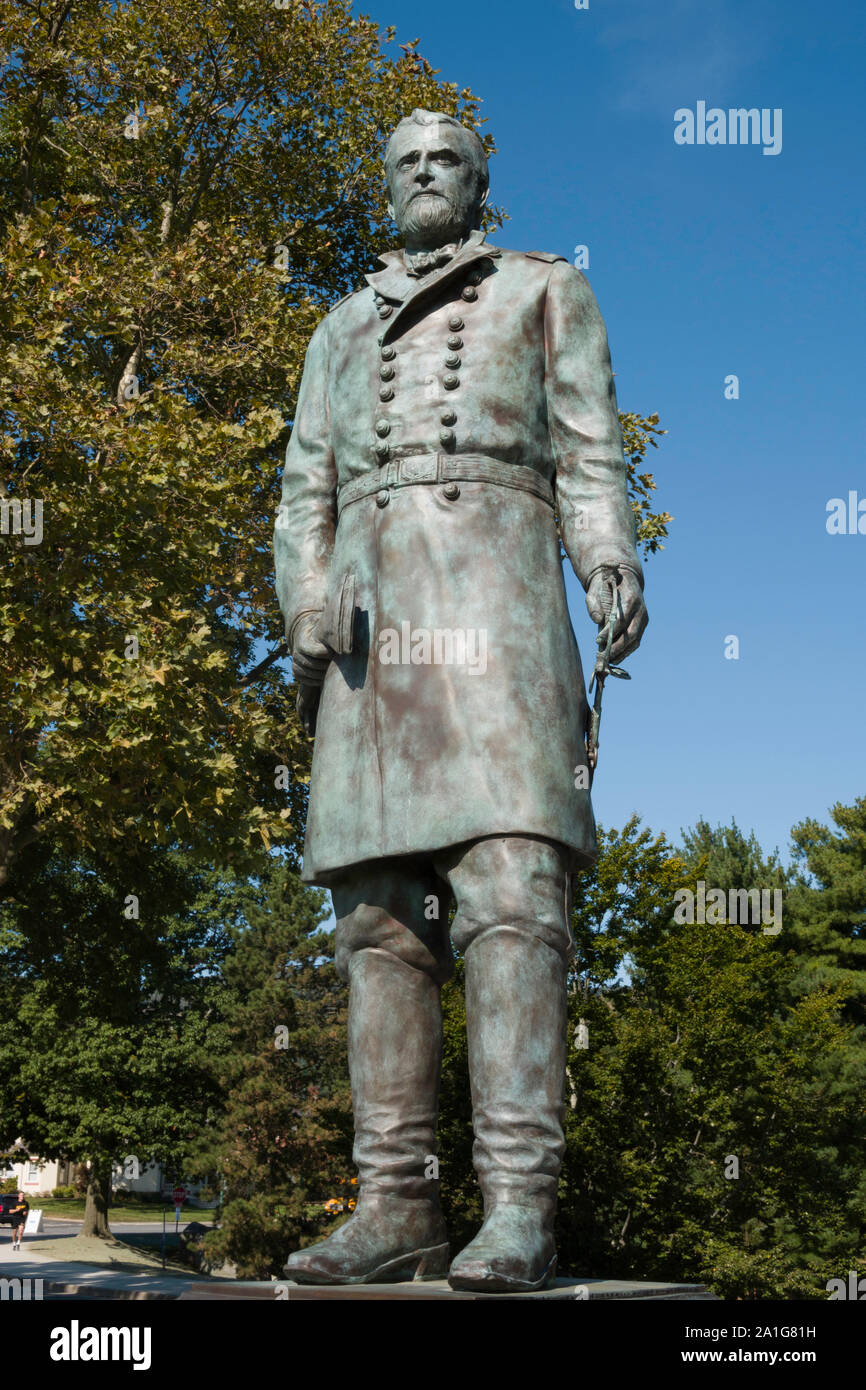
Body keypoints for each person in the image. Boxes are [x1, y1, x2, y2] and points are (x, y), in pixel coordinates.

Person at [275, 109, 647, 1292]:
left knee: (509, 885)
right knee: (375, 913)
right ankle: (393, 1203)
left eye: (444, 158)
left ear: (480, 179)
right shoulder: (336, 329)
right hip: (371, 632)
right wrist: (300, 599)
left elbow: (589, 458)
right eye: (403, 161)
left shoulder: (542, 290)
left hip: (496, 597)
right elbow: (304, 492)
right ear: (385, 185)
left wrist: (607, 559)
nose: (422, 174)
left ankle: (521, 1208)